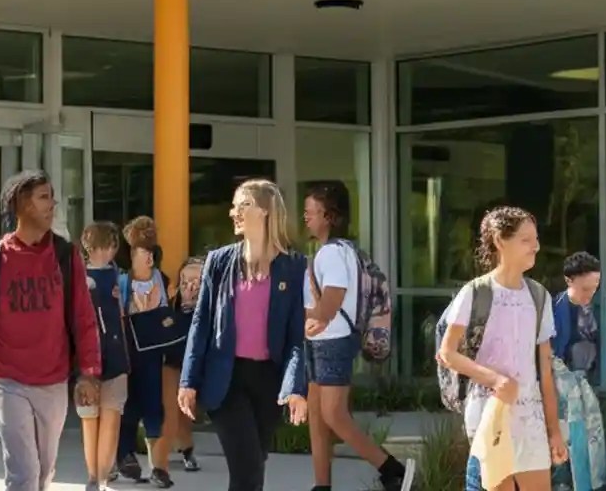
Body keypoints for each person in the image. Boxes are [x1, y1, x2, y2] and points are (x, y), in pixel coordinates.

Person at [0, 170, 103, 491]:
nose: (53, 204)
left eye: (52, 196)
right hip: (8, 381)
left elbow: (83, 317)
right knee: (24, 473)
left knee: (44, 472)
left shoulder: (65, 255)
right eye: (44, 197)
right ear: (21, 204)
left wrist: (89, 371)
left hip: (53, 381)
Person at [178, 179, 309, 491]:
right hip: (226, 380)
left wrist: (296, 388)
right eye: (234, 205)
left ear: (265, 211)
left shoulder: (294, 267)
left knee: (253, 465)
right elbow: (201, 325)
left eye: (242, 205)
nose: (233, 212)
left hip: (268, 382)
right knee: (247, 469)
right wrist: (188, 381)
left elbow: (295, 339)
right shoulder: (219, 261)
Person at [437, 206, 569, 491]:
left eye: (535, 238)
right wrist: (494, 379)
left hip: (530, 420)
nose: (536, 246)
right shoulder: (475, 293)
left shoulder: (539, 296)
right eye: (526, 240)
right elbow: (447, 353)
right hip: (490, 414)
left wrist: (554, 431)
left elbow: (545, 372)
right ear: (500, 241)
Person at [301, 183, 413, 491]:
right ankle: (322, 484)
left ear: (330, 216)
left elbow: (331, 300)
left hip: (332, 341)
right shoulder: (336, 251)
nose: (306, 217)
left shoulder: (332, 254)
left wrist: (309, 320)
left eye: (311, 211)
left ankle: (391, 469)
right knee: (317, 414)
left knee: (333, 414)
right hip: (322, 341)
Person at [550, 252, 606, 491]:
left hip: (589, 385)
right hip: (561, 388)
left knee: (593, 446)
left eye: (595, 287)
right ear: (568, 280)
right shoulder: (553, 310)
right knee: (566, 448)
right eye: (585, 288)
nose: (590, 294)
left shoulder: (600, 308)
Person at [116, 217, 174, 488]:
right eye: (142, 251)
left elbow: (170, 317)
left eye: (151, 251)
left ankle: (158, 467)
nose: (148, 257)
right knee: (128, 407)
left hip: (154, 355)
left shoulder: (164, 281)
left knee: (154, 409)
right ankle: (124, 455)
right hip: (129, 355)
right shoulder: (122, 283)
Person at [78, 221, 130, 491]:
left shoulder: (116, 276)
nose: (110, 251)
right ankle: (95, 476)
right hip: (90, 361)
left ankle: (97, 477)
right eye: (107, 245)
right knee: (93, 417)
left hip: (114, 355)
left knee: (109, 416)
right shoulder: (81, 280)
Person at [163, 257, 204, 473]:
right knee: (170, 409)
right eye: (186, 280)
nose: (191, 287)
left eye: (196, 281)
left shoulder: (209, 305)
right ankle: (163, 458)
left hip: (194, 366)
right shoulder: (171, 303)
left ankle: (187, 449)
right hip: (172, 362)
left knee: (187, 412)